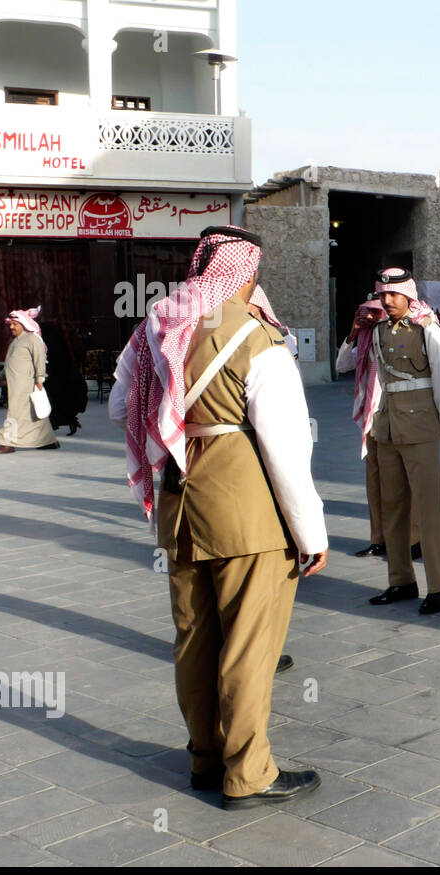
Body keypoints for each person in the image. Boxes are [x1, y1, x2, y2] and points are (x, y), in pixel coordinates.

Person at [109, 224, 328, 808]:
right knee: (248, 645)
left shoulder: (158, 325)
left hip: (180, 501)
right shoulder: (256, 338)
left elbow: (117, 404)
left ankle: (204, 756)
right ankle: (249, 773)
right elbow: (285, 448)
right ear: (248, 274)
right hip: (244, 511)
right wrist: (311, 531)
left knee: (195, 637)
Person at [341, 267, 440, 614]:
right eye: (382, 294)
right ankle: (401, 580)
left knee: (427, 507)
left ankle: (438, 586)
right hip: (388, 425)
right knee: (392, 506)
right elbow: (347, 364)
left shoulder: (426, 328)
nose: (386, 300)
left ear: (409, 296)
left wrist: (437, 422)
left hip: (420, 425)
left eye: (393, 295)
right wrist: (353, 333)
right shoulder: (377, 331)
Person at [337, 293, 389, 559]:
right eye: (364, 312)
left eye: (373, 312)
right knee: (374, 482)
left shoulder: (396, 337)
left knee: (398, 483)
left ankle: (408, 540)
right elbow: (342, 365)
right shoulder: (366, 340)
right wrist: (353, 333)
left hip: (396, 416)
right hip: (372, 419)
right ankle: (377, 539)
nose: (368, 317)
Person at [0, 307, 58, 454]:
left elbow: (40, 360)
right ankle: (48, 441)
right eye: (11, 324)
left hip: (26, 385)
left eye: (15, 324)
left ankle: (7, 442)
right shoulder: (15, 342)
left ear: (23, 324)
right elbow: (9, 363)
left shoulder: (33, 339)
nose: (11, 327)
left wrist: (40, 379)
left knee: (14, 413)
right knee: (33, 414)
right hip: (15, 385)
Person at [42, 316, 87, 436]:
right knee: (59, 401)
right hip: (62, 376)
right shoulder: (61, 341)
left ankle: (58, 424)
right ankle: (69, 421)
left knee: (53, 402)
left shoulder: (48, 341)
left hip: (54, 377)